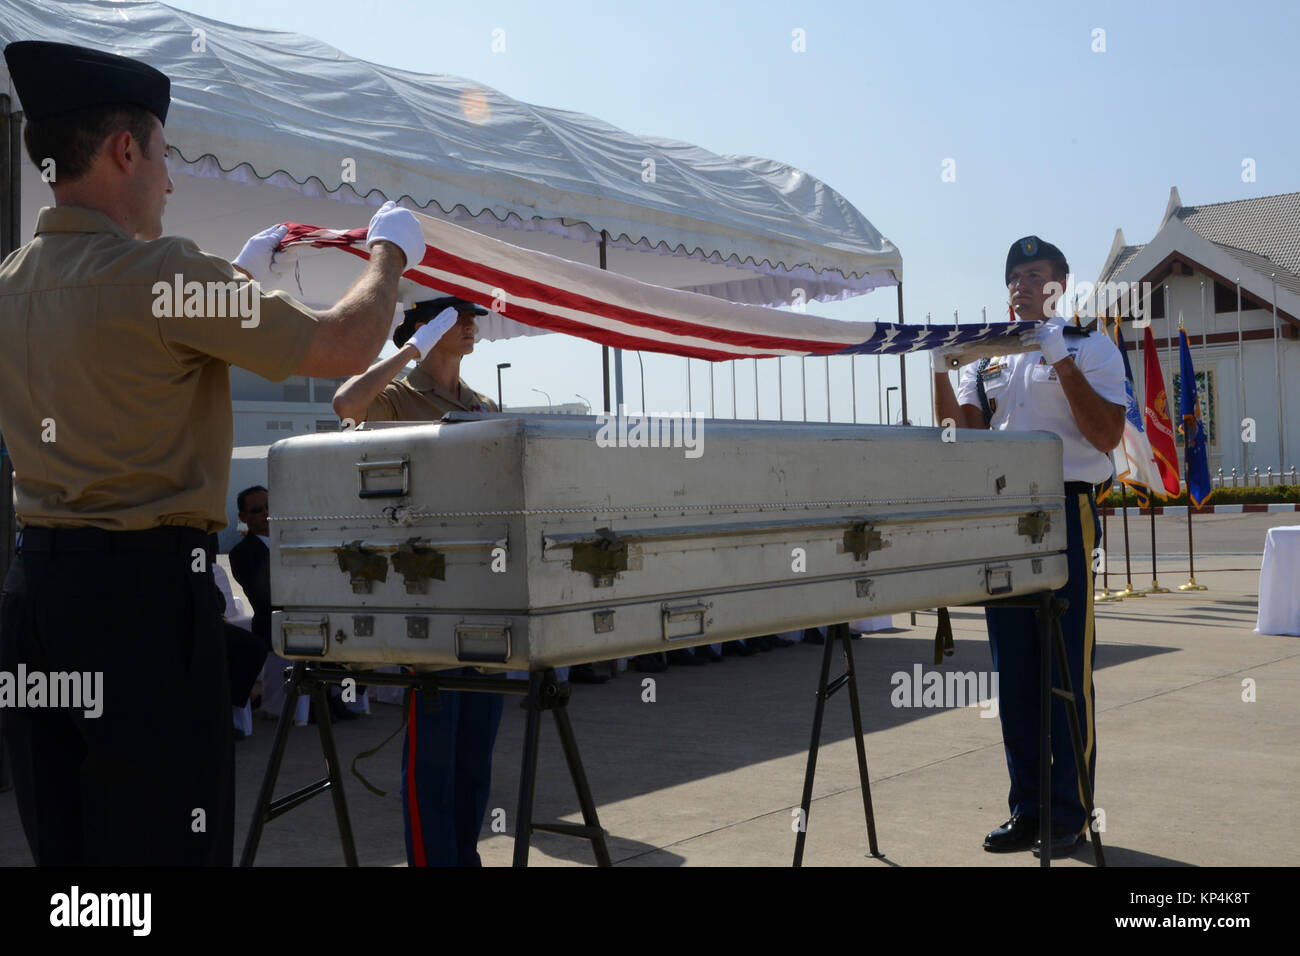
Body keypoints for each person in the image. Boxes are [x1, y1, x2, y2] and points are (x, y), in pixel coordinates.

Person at [0, 40, 424, 866]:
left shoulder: (11, 281)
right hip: (144, 603)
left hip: (37, 598)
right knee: (166, 847)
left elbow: (127, 347)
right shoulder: (164, 270)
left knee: (72, 852)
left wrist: (239, 280)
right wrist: (389, 254)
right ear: (127, 148)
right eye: (164, 155)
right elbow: (346, 343)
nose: (169, 177)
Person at [931, 236, 1126, 857]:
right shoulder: (985, 359)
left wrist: (1060, 361)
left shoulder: (1090, 346)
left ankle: (1072, 812)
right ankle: (1028, 808)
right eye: (1014, 275)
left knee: (1067, 666)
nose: (1021, 283)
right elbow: (958, 439)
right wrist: (941, 370)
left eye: (1035, 273)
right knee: (1013, 674)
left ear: (1060, 284)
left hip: (1066, 509)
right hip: (1002, 518)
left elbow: (1107, 434)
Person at [333, 295, 510, 866]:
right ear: (423, 329)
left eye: (471, 320)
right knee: (434, 749)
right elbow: (347, 402)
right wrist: (412, 348)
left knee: (475, 749)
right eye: (455, 320)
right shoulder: (400, 398)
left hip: (485, 587)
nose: (470, 327)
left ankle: (465, 858)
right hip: (426, 589)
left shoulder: (483, 406)